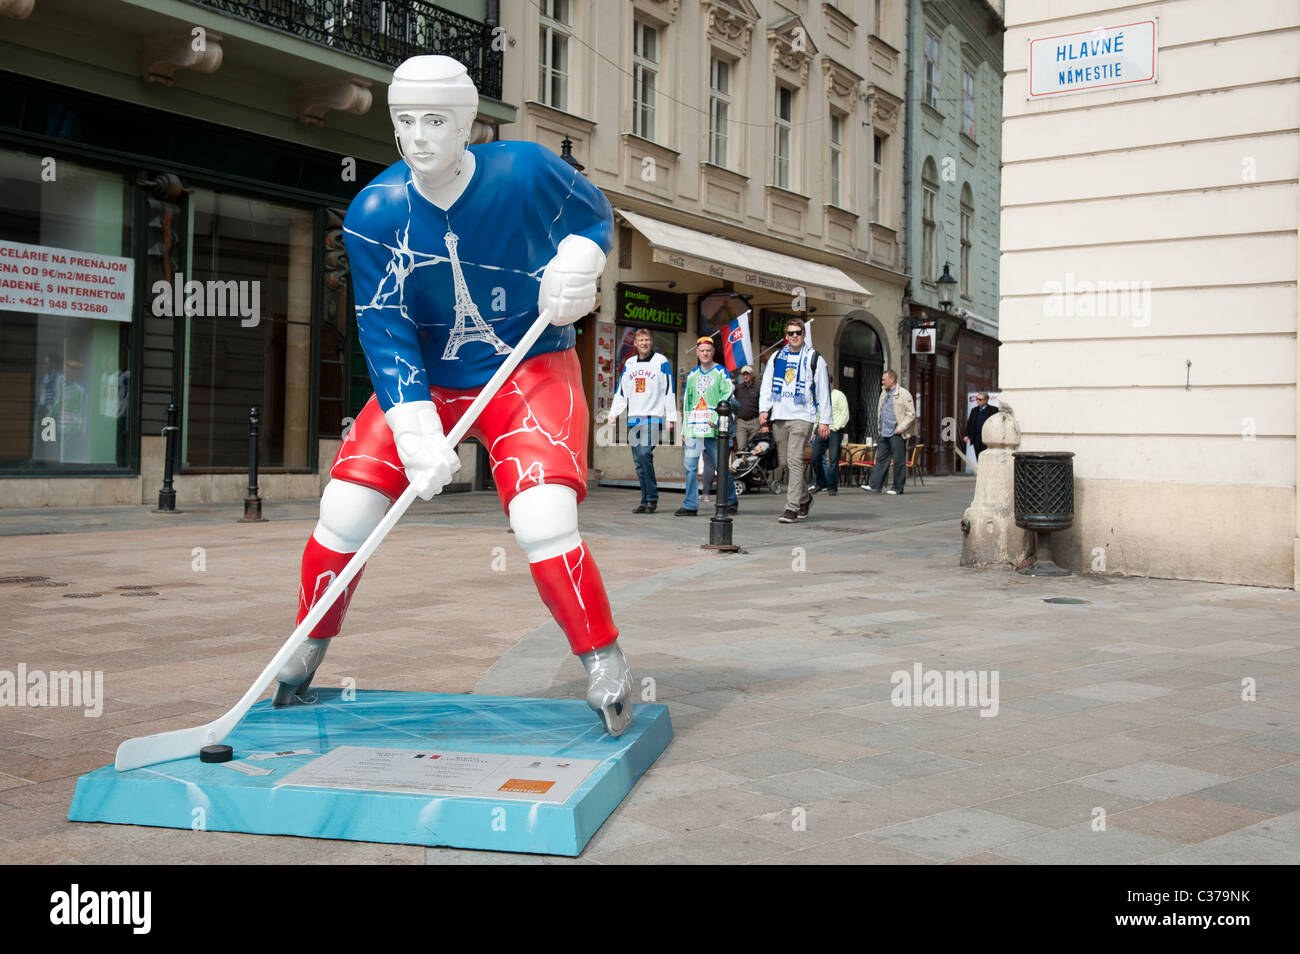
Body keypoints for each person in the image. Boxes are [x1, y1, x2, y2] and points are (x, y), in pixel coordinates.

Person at [273, 55, 635, 736]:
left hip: (527, 367)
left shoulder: (526, 171)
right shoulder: (373, 213)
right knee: (345, 508)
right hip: (426, 381)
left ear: (468, 123)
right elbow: (384, 329)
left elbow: (595, 221)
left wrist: (580, 262)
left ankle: (602, 656)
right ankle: (309, 640)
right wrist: (412, 432)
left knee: (543, 518)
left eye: (435, 120)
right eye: (405, 121)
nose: (418, 138)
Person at [759, 317, 830, 523]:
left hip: (802, 416)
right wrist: (764, 409)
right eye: (791, 333)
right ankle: (805, 498)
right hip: (780, 415)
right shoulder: (776, 357)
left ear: (803, 334)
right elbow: (767, 384)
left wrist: (824, 420)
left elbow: (823, 391)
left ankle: (792, 507)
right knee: (785, 462)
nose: (795, 336)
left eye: (798, 332)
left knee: (795, 459)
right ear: (786, 336)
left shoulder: (814, 358)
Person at [607, 328, 676, 513]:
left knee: (645, 453)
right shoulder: (629, 363)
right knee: (638, 461)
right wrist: (613, 413)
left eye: (647, 339)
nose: (644, 343)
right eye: (641, 340)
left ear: (651, 342)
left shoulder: (661, 361)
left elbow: (669, 390)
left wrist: (671, 418)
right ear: (635, 343)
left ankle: (652, 497)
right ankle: (645, 500)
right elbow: (621, 391)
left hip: (653, 417)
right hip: (633, 418)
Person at [678, 336, 737, 515]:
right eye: (702, 350)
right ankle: (690, 505)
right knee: (690, 466)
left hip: (713, 427)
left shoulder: (721, 372)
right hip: (694, 428)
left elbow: (727, 394)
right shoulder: (693, 375)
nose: (705, 353)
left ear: (713, 353)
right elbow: (687, 402)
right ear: (697, 352)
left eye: (708, 350)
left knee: (721, 466)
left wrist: (717, 417)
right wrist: (684, 428)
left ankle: (730, 500)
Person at [862, 369, 916, 495]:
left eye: (884, 379)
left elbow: (911, 414)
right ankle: (875, 486)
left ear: (892, 380)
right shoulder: (884, 393)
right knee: (881, 460)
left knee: (898, 461)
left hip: (896, 433)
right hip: (884, 433)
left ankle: (897, 488)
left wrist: (901, 428)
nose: (882, 382)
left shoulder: (903, 393)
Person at [809, 372, 849, 495]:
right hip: (821, 429)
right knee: (815, 457)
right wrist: (813, 431)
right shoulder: (821, 397)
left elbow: (845, 413)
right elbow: (818, 414)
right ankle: (820, 482)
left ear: (831, 383)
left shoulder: (838, 395)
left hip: (834, 429)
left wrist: (837, 427)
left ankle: (832, 487)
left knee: (833, 459)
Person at [733, 364, 762, 454]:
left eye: (747, 374)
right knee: (741, 448)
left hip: (755, 421)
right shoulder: (738, 388)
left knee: (754, 447)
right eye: (743, 374)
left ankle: (753, 468)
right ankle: (742, 466)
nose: (745, 376)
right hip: (741, 422)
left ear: (752, 375)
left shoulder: (759, 387)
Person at [964, 392, 998, 460]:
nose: (977, 401)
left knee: (987, 458)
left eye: (980, 399)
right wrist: (967, 435)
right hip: (976, 438)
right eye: (976, 399)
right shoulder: (974, 410)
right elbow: (970, 423)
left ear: (985, 400)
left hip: (988, 438)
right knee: (978, 457)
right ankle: (980, 470)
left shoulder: (993, 410)